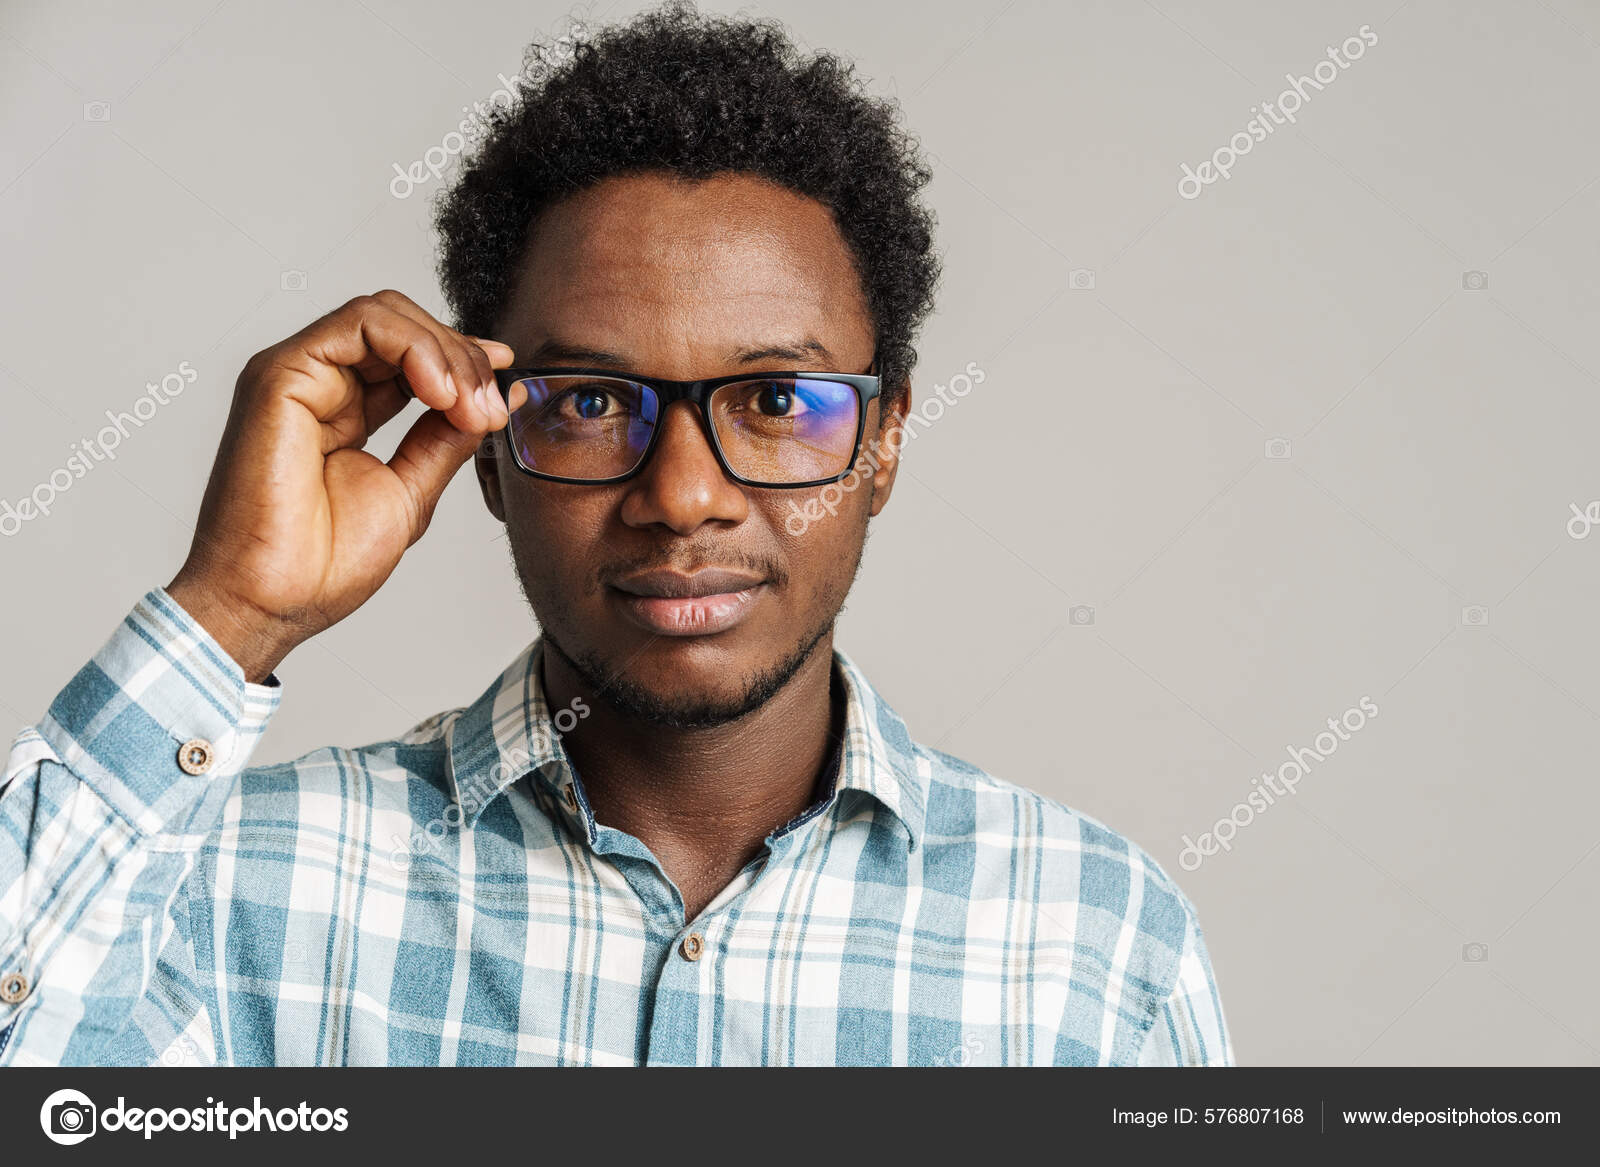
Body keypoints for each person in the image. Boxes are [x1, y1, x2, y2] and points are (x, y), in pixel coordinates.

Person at [0, 2, 1230, 1066]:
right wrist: (230, 613)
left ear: (886, 440)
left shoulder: (1096, 946)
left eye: (774, 401)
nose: (683, 495)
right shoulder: (226, 898)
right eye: (591, 402)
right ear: (485, 444)